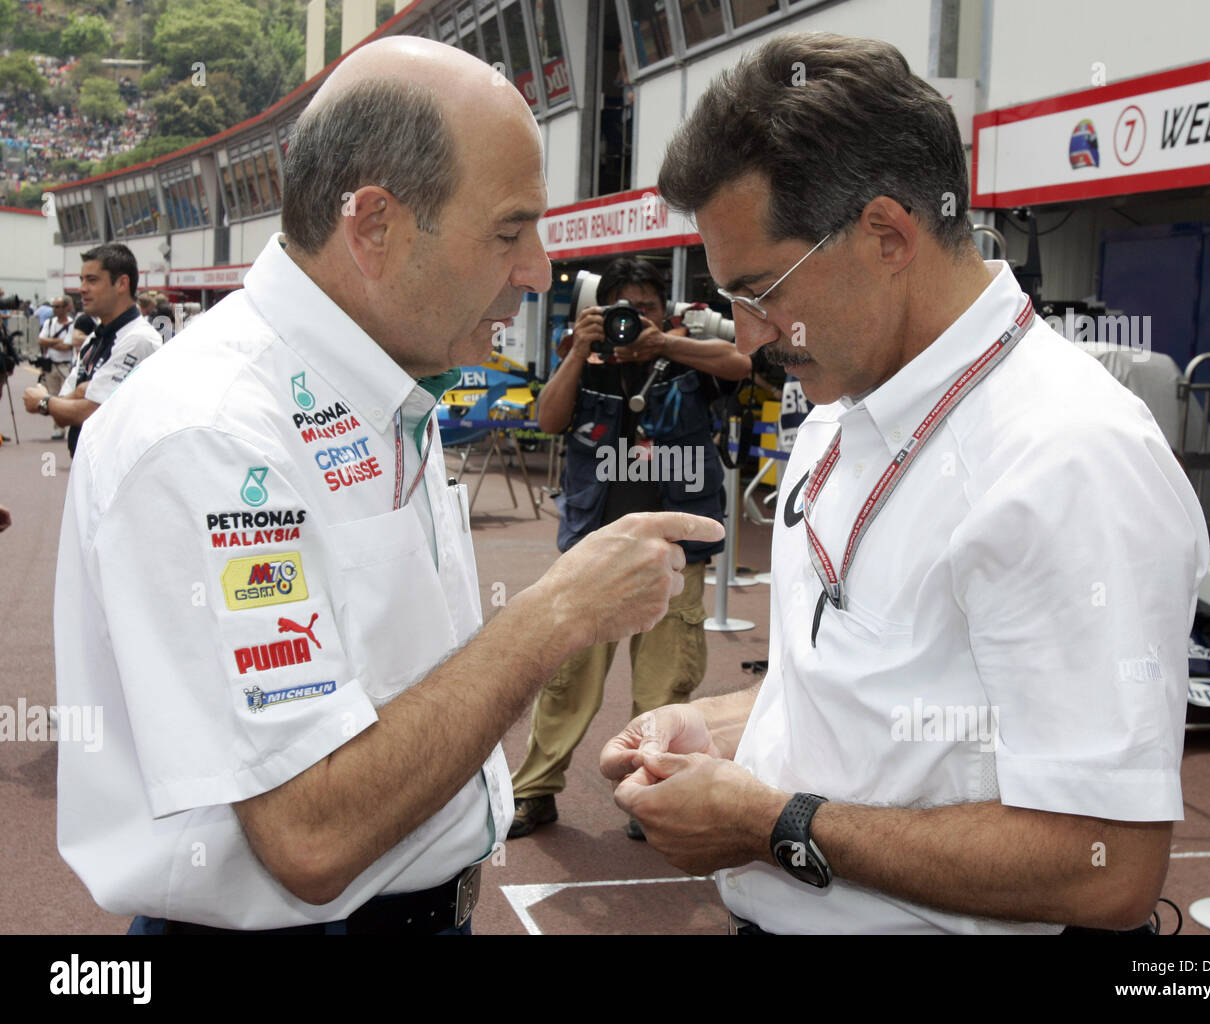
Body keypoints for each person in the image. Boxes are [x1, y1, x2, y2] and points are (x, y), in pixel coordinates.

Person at [54, 35, 722, 935]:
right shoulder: (216, 432)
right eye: (509, 230)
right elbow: (313, 835)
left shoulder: (366, 387)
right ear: (373, 227)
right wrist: (557, 613)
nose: (539, 271)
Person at [599, 33, 1210, 935]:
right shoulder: (847, 403)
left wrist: (772, 826)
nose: (751, 334)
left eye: (761, 289)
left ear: (887, 234)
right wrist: (721, 736)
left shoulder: (1071, 457)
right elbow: (873, 700)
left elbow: (1106, 866)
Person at [508, 258, 749, 841]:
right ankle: (535, 792)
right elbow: (549, 418)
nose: (632, 319)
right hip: (595, 551)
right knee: (567, 680)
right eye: (622, 308)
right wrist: (575, 351)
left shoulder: (686, 358)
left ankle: (653, 794)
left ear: (662, 311)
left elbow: (740, 364)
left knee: (663, 686)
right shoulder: (586, 366)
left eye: (644, 306)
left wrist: (663, 341)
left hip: (676, 550)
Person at [23, 244, 162, 457]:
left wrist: (45, 402)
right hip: (87, 465)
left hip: (118, 470)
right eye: (82, 280)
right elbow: (66, 404)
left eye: (92, 280)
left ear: (122, 283)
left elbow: (91, 411)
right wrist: (77, 396)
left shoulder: (138, 339)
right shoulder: (95, 337)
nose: (82, 288)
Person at [35, 295, 77, 440]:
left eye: (58, 306)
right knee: (52, 396)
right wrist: (57, 342)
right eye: (54, 306)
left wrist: (50, 342)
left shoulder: (72, 324)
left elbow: (67, 346)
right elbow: (41, 340)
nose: (55, 309)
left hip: (65, 365)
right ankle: (58, 428)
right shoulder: (49, 322)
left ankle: (68, 424)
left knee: (66, 396)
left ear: (66, 308)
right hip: (51, 365)